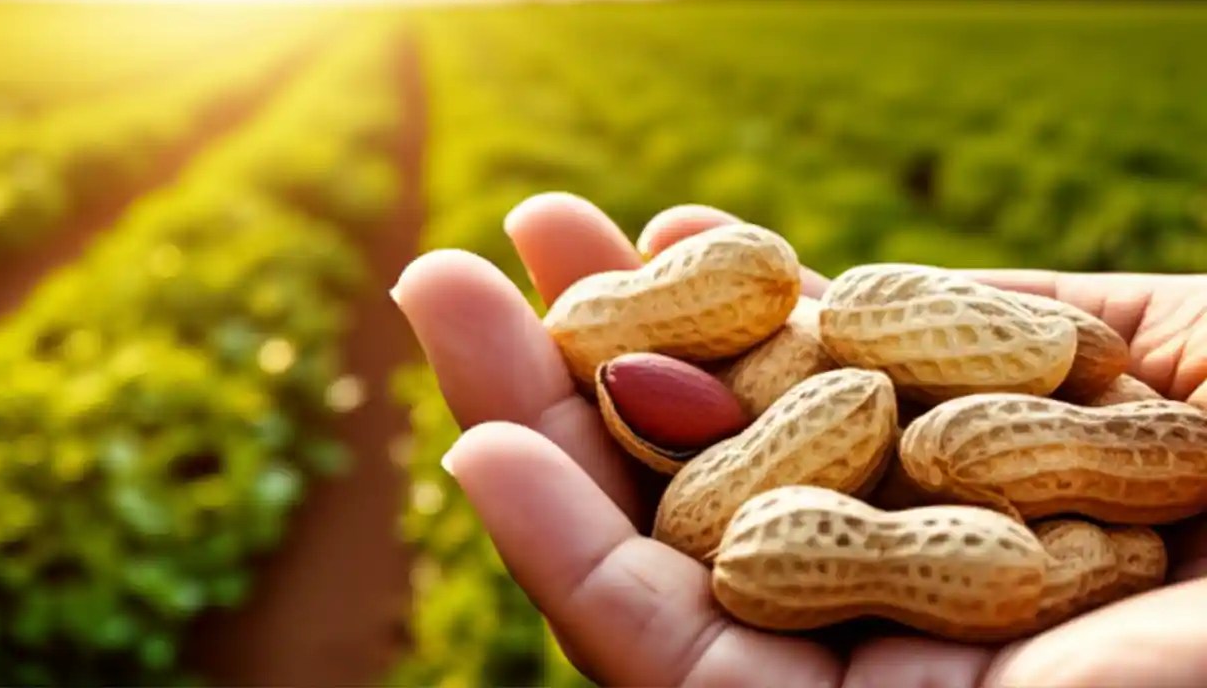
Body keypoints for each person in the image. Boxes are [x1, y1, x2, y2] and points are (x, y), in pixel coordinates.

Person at [391, 192, 1207, 688]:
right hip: (867, 492)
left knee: (958, 444)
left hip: (993, 493)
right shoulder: (827, 379)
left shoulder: (1024, 402)